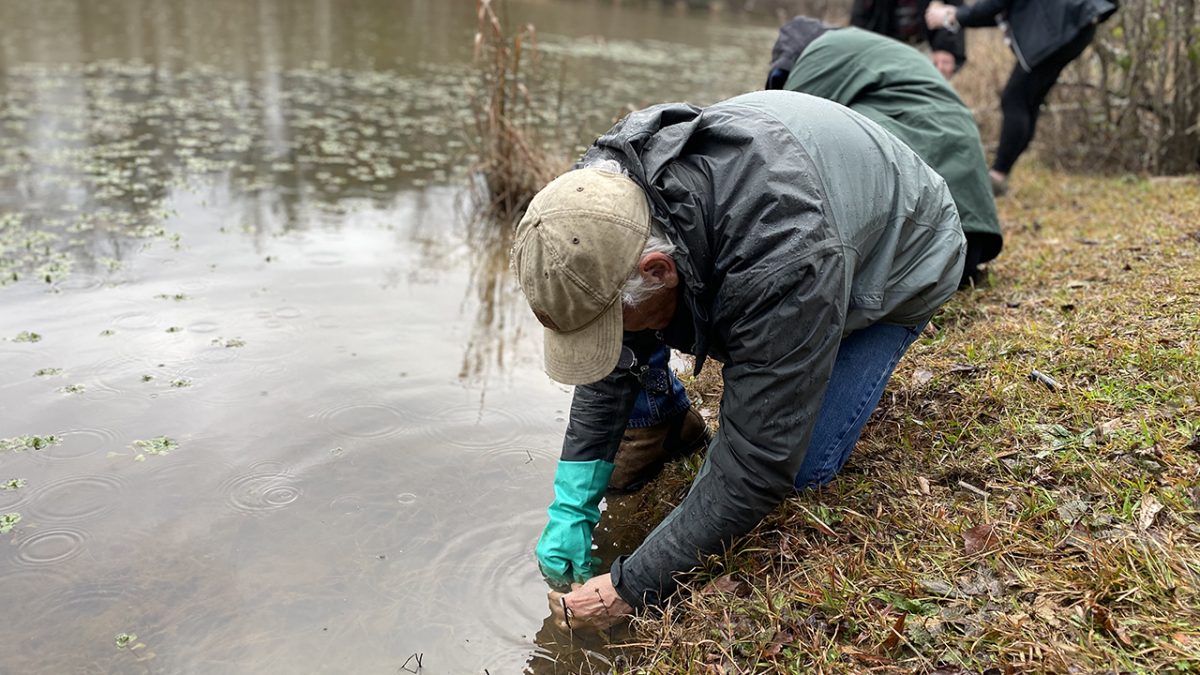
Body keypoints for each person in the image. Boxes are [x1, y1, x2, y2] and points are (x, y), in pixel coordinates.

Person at [512, 89, 966, 628]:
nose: (607, 344)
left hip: (905, 254)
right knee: (635, 331)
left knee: (800, 467)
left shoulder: (783, 262)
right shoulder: (596, 198)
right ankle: (667, 416)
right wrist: (572, 503)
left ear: (658, 271)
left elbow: (757, 465)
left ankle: (824, 339)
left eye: (608, 327)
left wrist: (629, 586)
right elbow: (611, 340)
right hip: (794, 218)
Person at [765, 16, 1002, 287]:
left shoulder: (822, 50)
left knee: (823, 134)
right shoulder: (868, 47)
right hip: (968, 241)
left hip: (926, 238)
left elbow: (781, 137)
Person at [924, 0, 1118, 195]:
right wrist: (956, 16)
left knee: (1014, 99)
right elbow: (999, 11)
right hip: (1075, 24)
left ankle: (998, 176)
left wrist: (951, 16)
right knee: (1028, 99)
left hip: (1057, 26)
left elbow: (995, 5)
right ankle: (1001, 174)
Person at [847, 0, 967, 79]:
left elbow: (954, 7)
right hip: (885, 48)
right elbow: (861, 16)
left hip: (925, 47)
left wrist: (946, 47)